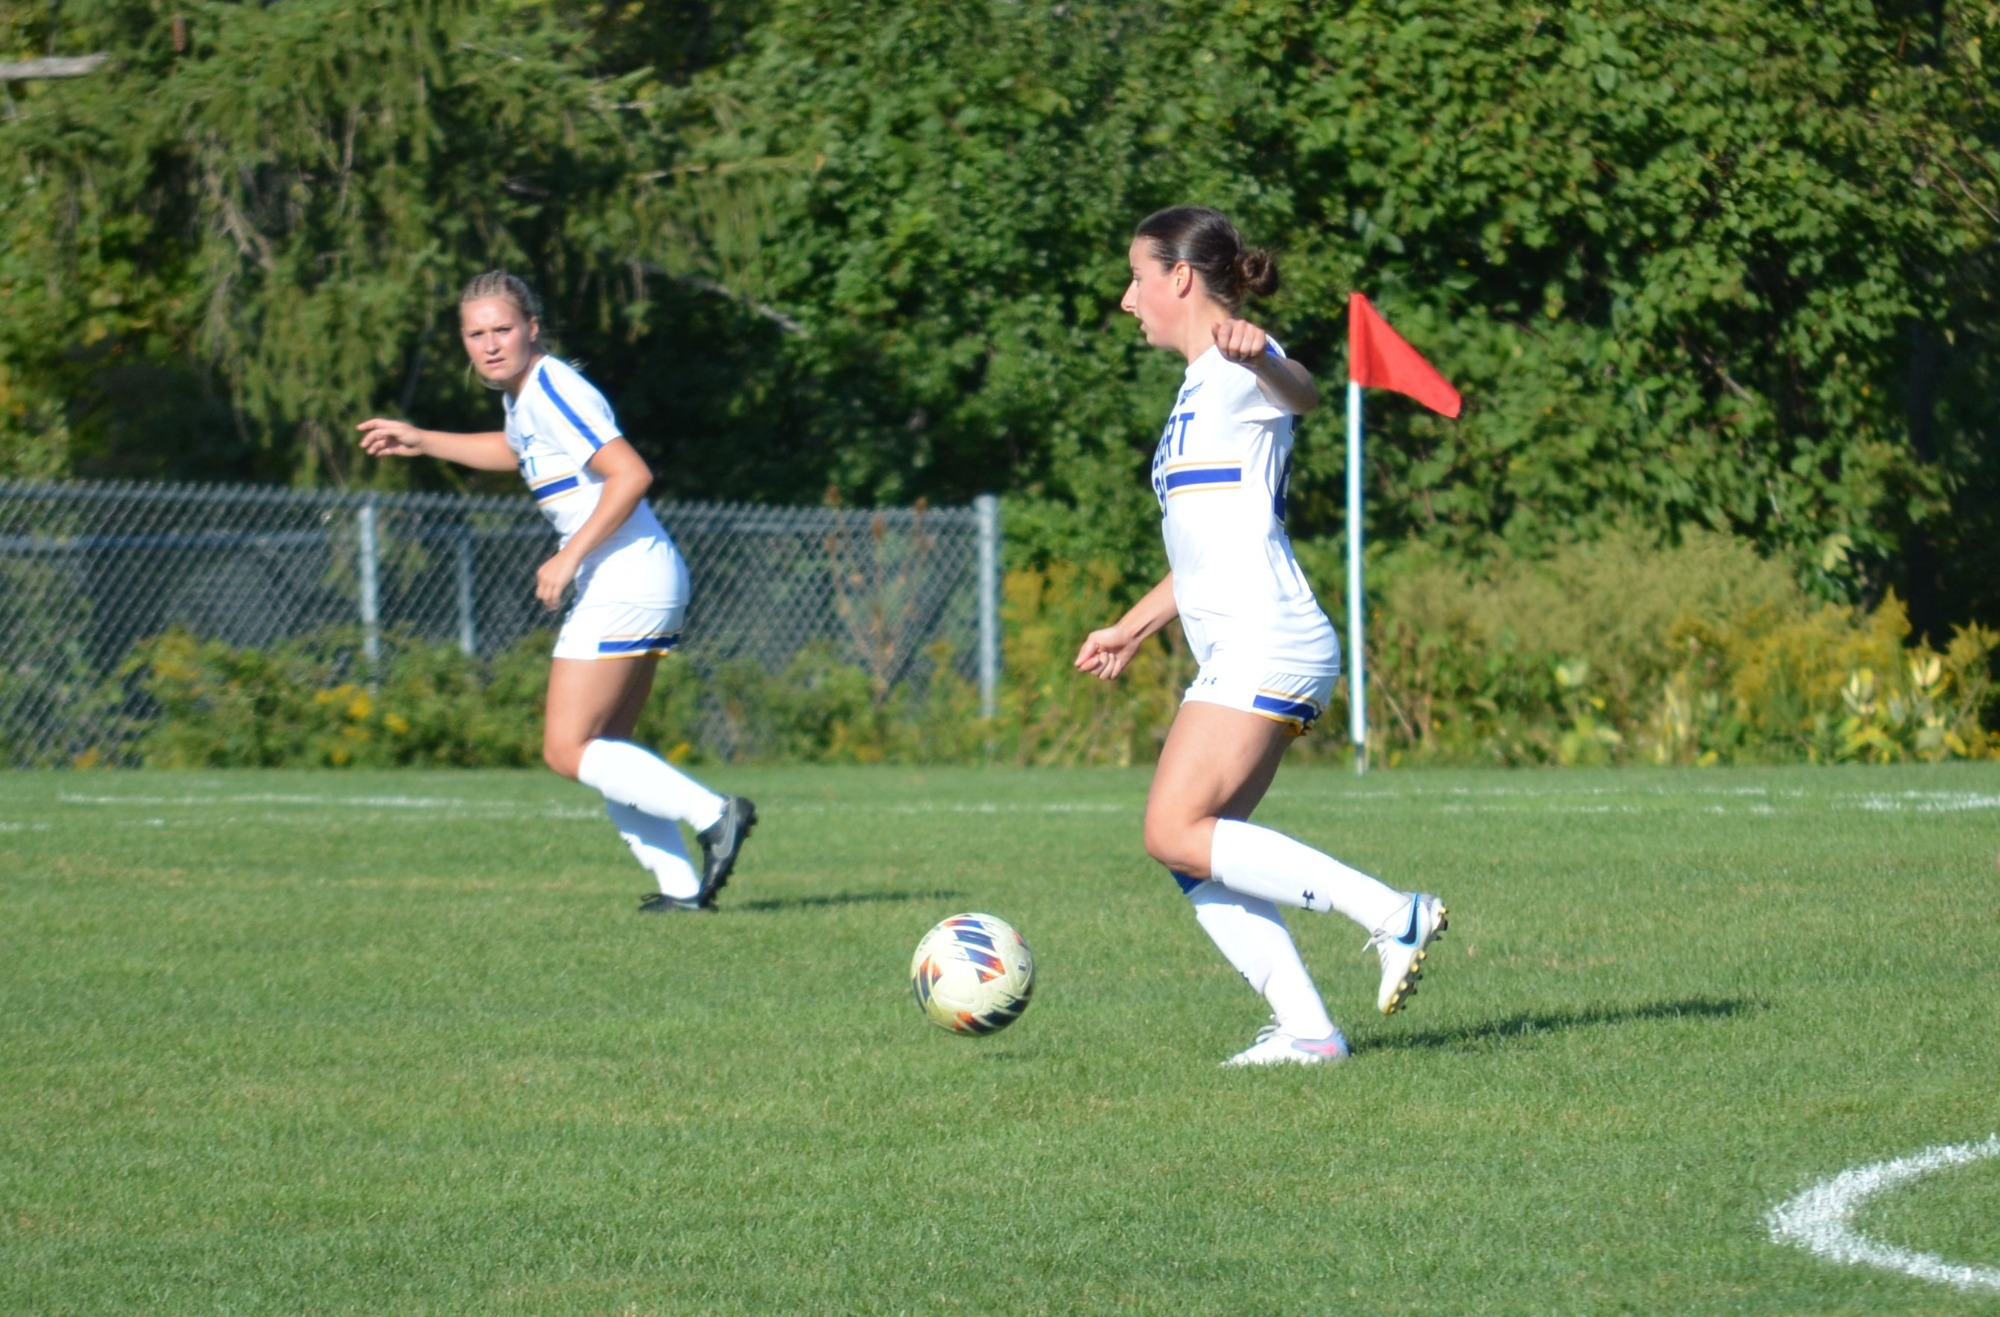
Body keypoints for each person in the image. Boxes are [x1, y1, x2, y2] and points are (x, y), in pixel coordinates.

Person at [1075, 207, 1447, 1066]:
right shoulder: (1196, 386)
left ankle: (1395, 913)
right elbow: (1206, 548)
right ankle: (1310, 1033)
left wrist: (1267, 357)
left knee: (1171, 827)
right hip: (1250, 640)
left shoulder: (1241, 361)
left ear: (1178, 277)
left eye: (1136, 277)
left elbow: (1304, 392)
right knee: (1197, 854)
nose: (1128, 299)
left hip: (1266, 640)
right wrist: (1131, 627)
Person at [358, 271, 755, 914]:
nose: (489, 345)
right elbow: (518, 451)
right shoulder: (523, 398)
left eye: (502, 330)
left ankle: (713, 814)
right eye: (475, 333)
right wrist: (423, 439)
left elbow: (631, 473)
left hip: (626, 574)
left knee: (565, 748)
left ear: (532, 329)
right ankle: (684, 890)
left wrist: (568, 557)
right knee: (607, 751)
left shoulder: (551, 385)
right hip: (637, 574)